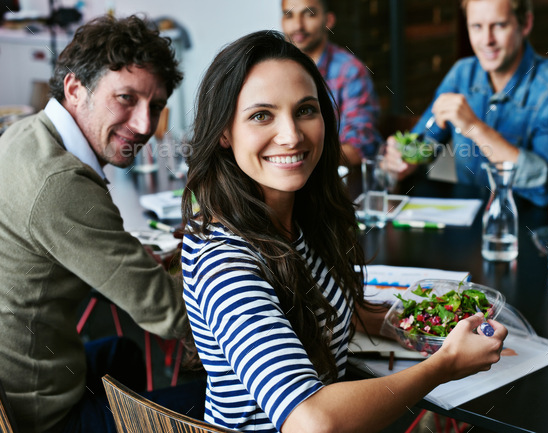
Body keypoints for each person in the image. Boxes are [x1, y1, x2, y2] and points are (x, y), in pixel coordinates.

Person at [180, 30, 507, 433]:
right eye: (261, 115)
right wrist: (445, 365)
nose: (292, 135)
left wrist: (423, 323)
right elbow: (313, 422)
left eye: (305, 110)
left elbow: (332, 306)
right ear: (224, 132)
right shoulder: (224, 260)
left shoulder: (298, 216)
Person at [0, 15, 204, 433]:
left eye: (156, 105)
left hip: (17, 380)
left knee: (123, 353)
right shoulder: (62, 183)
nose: (146, 125)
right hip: (39, 417)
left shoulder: (24, 135)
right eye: (126, 98)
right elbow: (169, 313)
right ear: (75, 89)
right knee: (215, 404)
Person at [384, 0, 548, 207]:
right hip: (472, 223)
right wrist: (403, 159)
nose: (487, 40)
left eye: (499, 25)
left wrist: (473, 127)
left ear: (525, 25)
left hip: (537, 228)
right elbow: (425, 144)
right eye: (476, 26)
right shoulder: (462, 74)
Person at [281, 0, 382, 166]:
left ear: (328, 21)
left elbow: (359, 148)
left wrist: (302, 158)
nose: (297, 26)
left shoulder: (350, 71)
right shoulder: (275, 70)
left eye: (309, 14)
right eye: (289, 15)